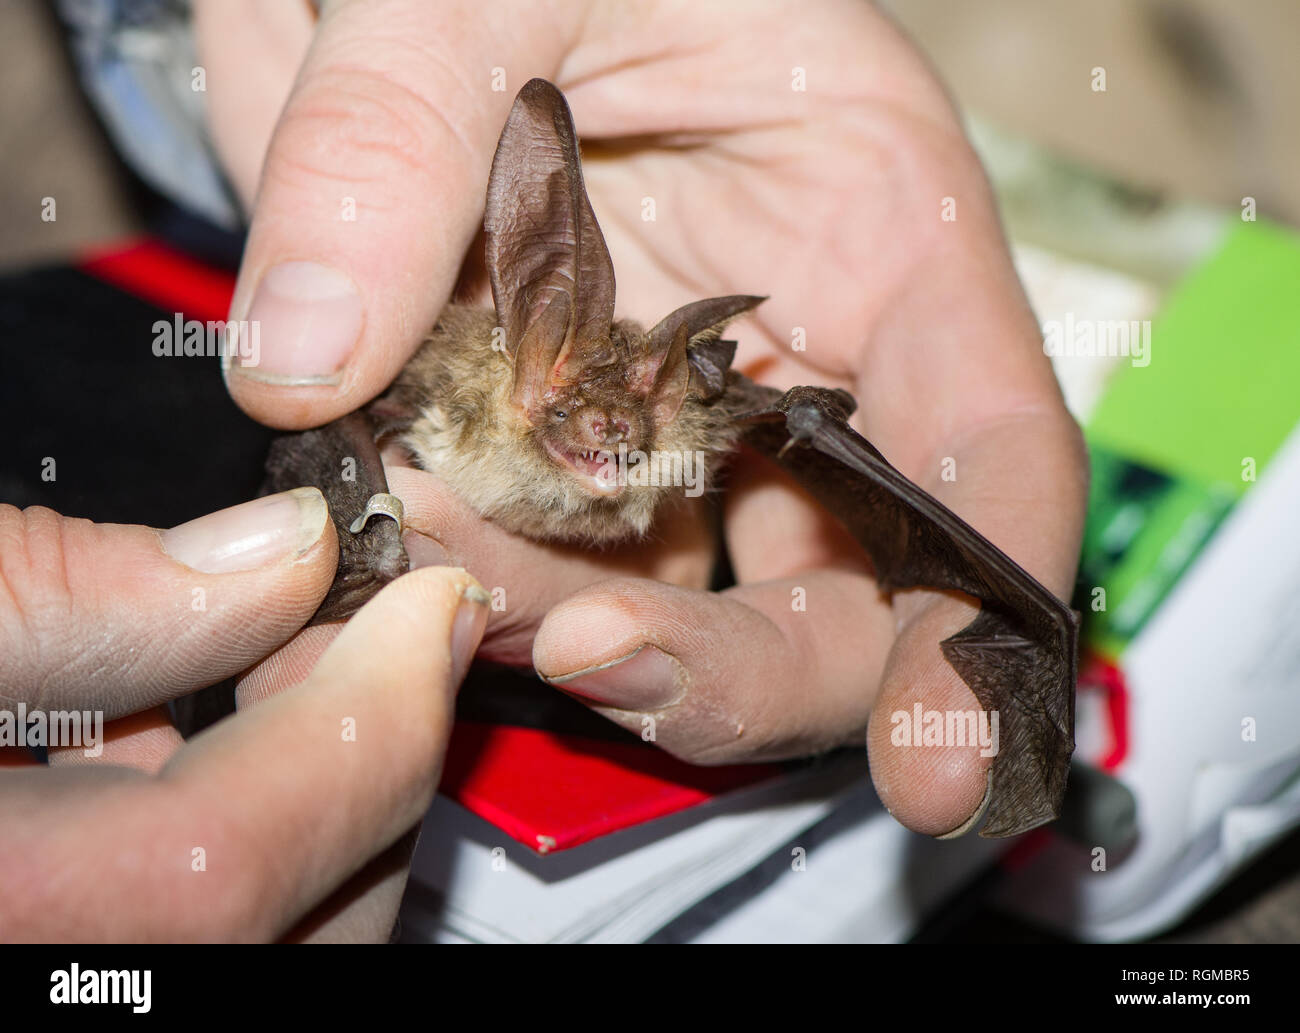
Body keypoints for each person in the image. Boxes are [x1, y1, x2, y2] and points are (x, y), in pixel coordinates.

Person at [2, 0, 1086, 940]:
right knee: (333, 472)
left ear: (672, 402)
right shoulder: (467, 385)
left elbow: (741, 419)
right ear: (533, 383)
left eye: (628, 428)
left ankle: (1013, 662)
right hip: (419, 420)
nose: (608, 444)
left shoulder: (691, 428)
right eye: (581, 418)